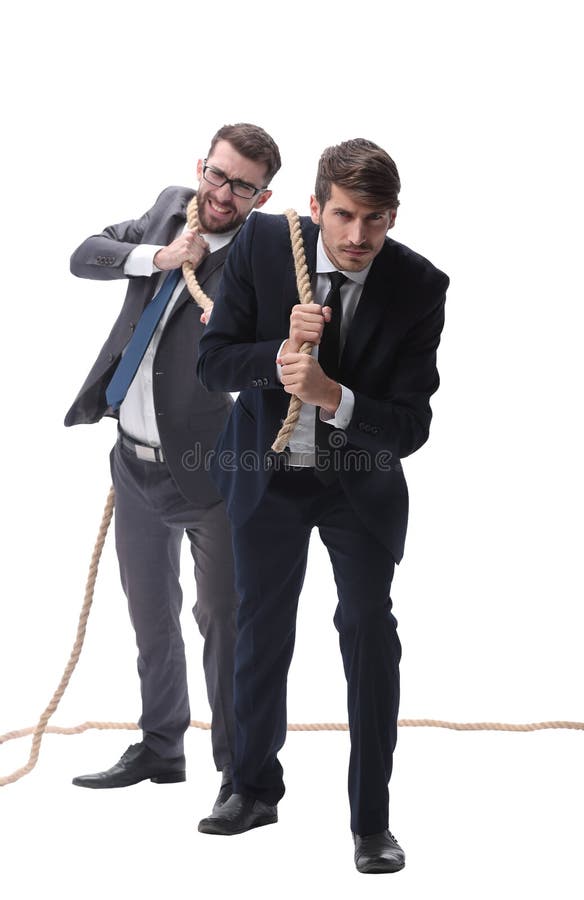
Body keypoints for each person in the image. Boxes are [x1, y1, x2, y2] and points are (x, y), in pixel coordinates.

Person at [195, 139, 449, 873]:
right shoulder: (266, 245)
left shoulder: (419, 287)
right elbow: (214, 362)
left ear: (392, 217)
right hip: (266, 473)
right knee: (258, 630)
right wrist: (276, 358)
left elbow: (410, 427)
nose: (358, 236)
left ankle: (371, 822)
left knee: (369, 630)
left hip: (356, 485)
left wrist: (333, 398)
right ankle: (250, 789)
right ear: (315, 208)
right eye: (343, 215)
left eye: (375, 219)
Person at [64, 123, 281, 807]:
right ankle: (161, 748)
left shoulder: (265, 254)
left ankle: (242, 778)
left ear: (261, 194)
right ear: (201, 166)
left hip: (211, 470)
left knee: (224, 618)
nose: (223, 193)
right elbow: (85, 254)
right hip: (132, 464)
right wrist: (158, 256)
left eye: (242, 185)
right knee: (149, 613)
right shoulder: (167, 208)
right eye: (218, 174)